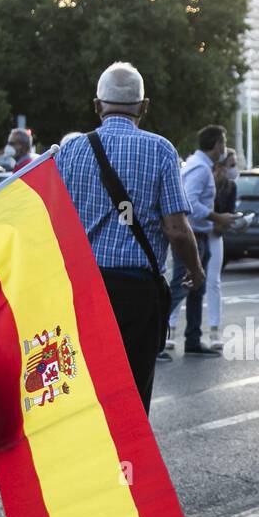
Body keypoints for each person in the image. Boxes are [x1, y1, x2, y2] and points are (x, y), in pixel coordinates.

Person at [55, 61, 205, 410]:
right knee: (131, 396)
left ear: (97, 106)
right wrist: (195, 272)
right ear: (144, 106)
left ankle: (88, 460)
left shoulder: (70, 152)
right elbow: (176, 229)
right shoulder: (161, 150)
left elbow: (54, 223)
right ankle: (127, 464)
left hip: (83, 289)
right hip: (137, 292)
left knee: (85, 392)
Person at [162, 125, 238, 360]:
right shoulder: (201, 169)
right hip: (193, 235)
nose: (224, 149)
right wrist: (217, 217)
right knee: (181, 287)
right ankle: (155, 339)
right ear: (216, 144)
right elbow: (190, 202)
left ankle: (193, 339)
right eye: (223, 143)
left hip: (198, 234)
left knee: (197, 287)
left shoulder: (198, 165)